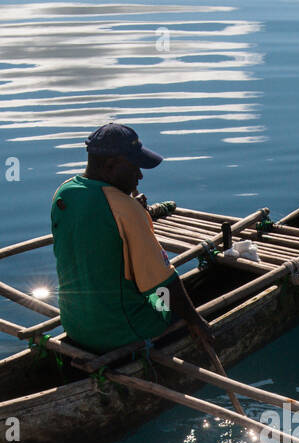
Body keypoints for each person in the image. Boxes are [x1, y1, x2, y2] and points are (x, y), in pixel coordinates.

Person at [50, 123, 214, 354]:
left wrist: (128, 208)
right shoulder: (126, 210)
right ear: (111, 165)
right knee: (167, 299)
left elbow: (96, 223)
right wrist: (196, 321)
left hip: (75, 325)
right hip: (121, 331)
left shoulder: (64, 193)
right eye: (135, 167)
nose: (139, 175)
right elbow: (163, 282)